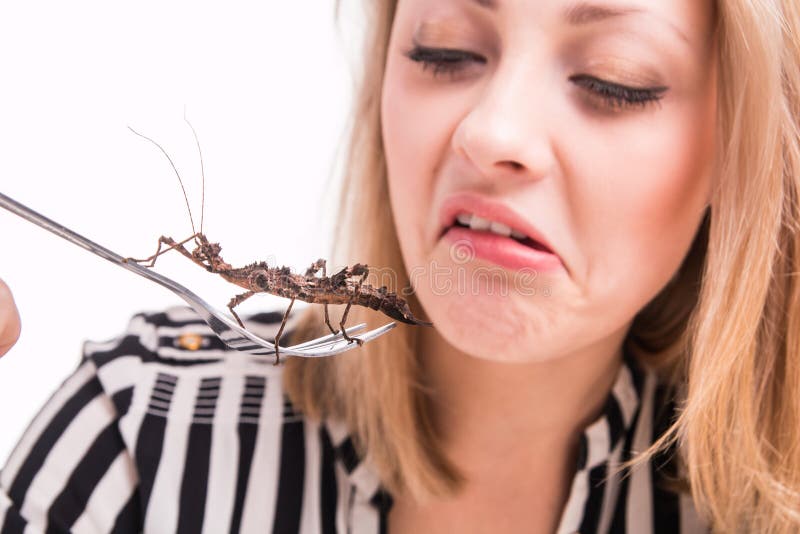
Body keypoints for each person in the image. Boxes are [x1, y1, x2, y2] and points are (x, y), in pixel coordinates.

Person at [1, 0, 799, 532]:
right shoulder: (141, 431)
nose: (491, 132)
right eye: (444, 50)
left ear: (746, 149)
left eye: (614, 81)